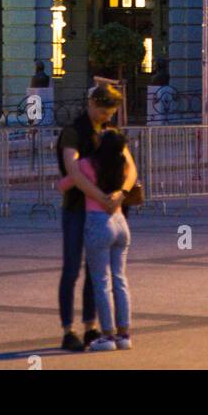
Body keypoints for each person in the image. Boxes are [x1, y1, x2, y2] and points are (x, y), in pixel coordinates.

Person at [56, 83, 124, 351]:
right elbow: (73, 172)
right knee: (72, 268)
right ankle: (67, 330)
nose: (109, 117)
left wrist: (122, 192)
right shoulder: (73, 132)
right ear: (93, 104)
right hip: (76, 209)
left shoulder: (110, 132)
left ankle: (89, 326)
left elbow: (128, 164)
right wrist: (102, 197)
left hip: (101, 210)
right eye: (106, 111)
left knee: (94, 271)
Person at [59, 126, 137, 352]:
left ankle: (107, 336)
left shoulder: (87, 164)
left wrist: (72, 164)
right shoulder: (122, 165)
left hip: (98, 223)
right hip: (121, 222)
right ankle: (124, 334)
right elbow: (132, 174)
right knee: (120, 279)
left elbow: (64, 184)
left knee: (102, 283)